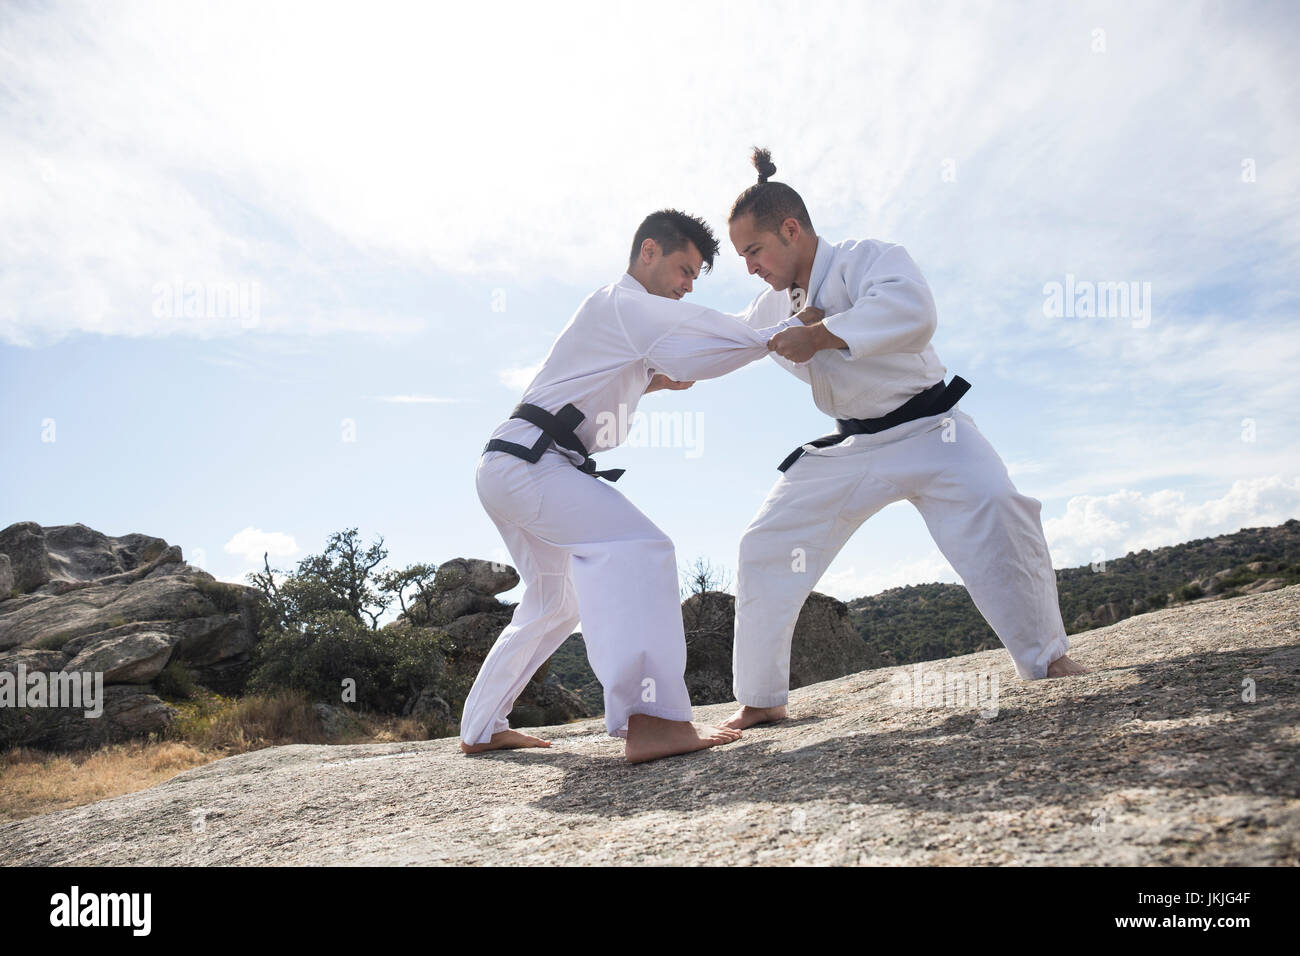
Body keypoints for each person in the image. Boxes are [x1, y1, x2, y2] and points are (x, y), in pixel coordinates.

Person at [720, 148, 1091, 732]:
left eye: (754, 251)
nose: (750, 267)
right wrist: (663, 370)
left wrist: (821, 333)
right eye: (743, 256)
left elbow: (913, 311)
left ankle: (1048, 660)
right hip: (854, 447)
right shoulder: (771, 306)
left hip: (932, 428)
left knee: (999, 506)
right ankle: (762, 698)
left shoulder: (868, 258)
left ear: (790, 230)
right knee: (766, 543)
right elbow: (727, 339)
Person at [461, 208, 802, 762]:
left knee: (554, 600)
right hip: (532, 464)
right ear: (648, 251)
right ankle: (653, 721)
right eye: (684, 269)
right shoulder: (623, 304)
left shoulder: (619, 317)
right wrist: (782, 335)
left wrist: (653, 380)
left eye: (695, 278)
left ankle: (481, 726)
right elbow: (704, 337)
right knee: (639, 546)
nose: (688, 286)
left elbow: (613, 374)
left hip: (511, 463)